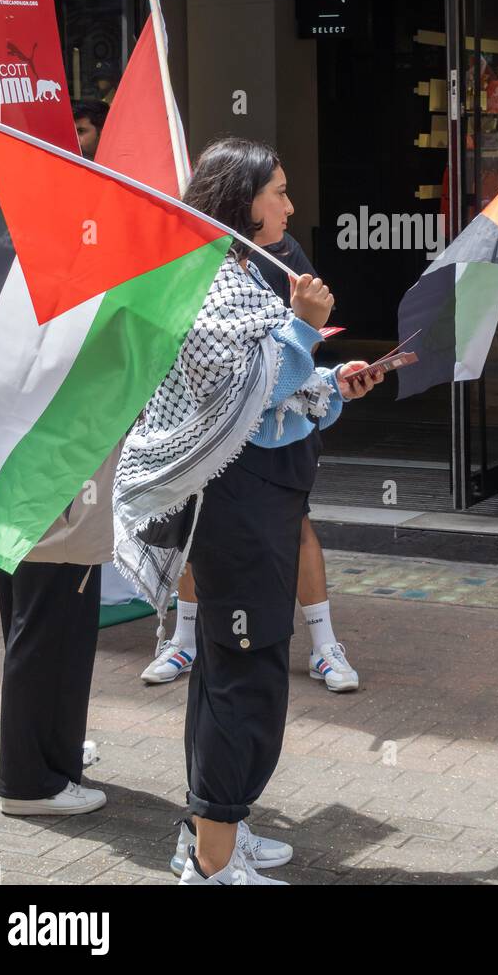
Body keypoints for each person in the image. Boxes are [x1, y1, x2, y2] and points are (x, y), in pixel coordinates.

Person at [112, 139, 381, 886]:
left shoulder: (241, 272)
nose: (290, 208)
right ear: (240, 199)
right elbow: (242, 388)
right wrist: (301, 327)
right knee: (244, 674)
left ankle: (217, 830)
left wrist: (332, 381)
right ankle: (212, 864)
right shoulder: (201, 279)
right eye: (280, 192)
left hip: (264, 500)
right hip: (237, 508)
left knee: (232, 671)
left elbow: (278, 390)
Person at [142, 231, 359, 695]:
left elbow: (297, 350)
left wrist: (326, 368)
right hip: (218, 434)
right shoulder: (200, 265)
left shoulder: (281, 253)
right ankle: (185, 641)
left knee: (296, 527)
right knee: (197, 527)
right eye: (277, 193)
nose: (289, 207)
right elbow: (214, 363)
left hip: (285, 425)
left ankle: (325, 645)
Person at [0, 447, 120, 817]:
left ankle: (48, 754)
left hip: (24, 470)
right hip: (63, 471)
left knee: (30, 623)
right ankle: (32, 781)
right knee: (49, 633)